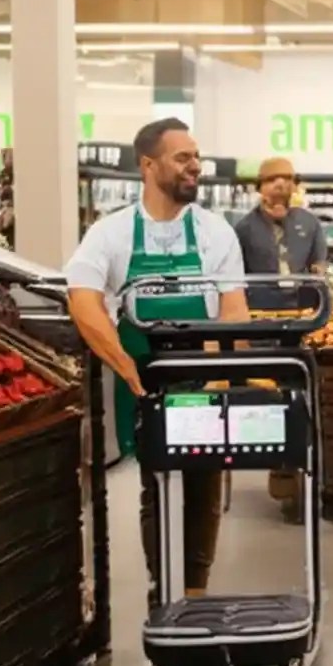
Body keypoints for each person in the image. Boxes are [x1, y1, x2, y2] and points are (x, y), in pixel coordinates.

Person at [64, 117, 249, 606]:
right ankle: (162, 589)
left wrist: (223, 376)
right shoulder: (112, 233)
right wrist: (123, 364)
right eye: (183, 157)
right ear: (148, 165)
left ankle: (194, 592)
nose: (196, 166)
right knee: (157, 482)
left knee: (206, 484)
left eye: (197, 157)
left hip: (203, 375)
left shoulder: (214, 232)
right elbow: (82, 297)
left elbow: (233, 310)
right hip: (145, 378)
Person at [234, 156, 328, 521]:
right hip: (259, 327)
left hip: (302, 325)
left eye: (287, 179)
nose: (280, 185)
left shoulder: (310, 224)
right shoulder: (242, 229)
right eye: (272, 179)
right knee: (269, 396)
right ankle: (280, 466)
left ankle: (300, 470)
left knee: (302, 395)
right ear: (259, 186)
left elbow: (319, 271)